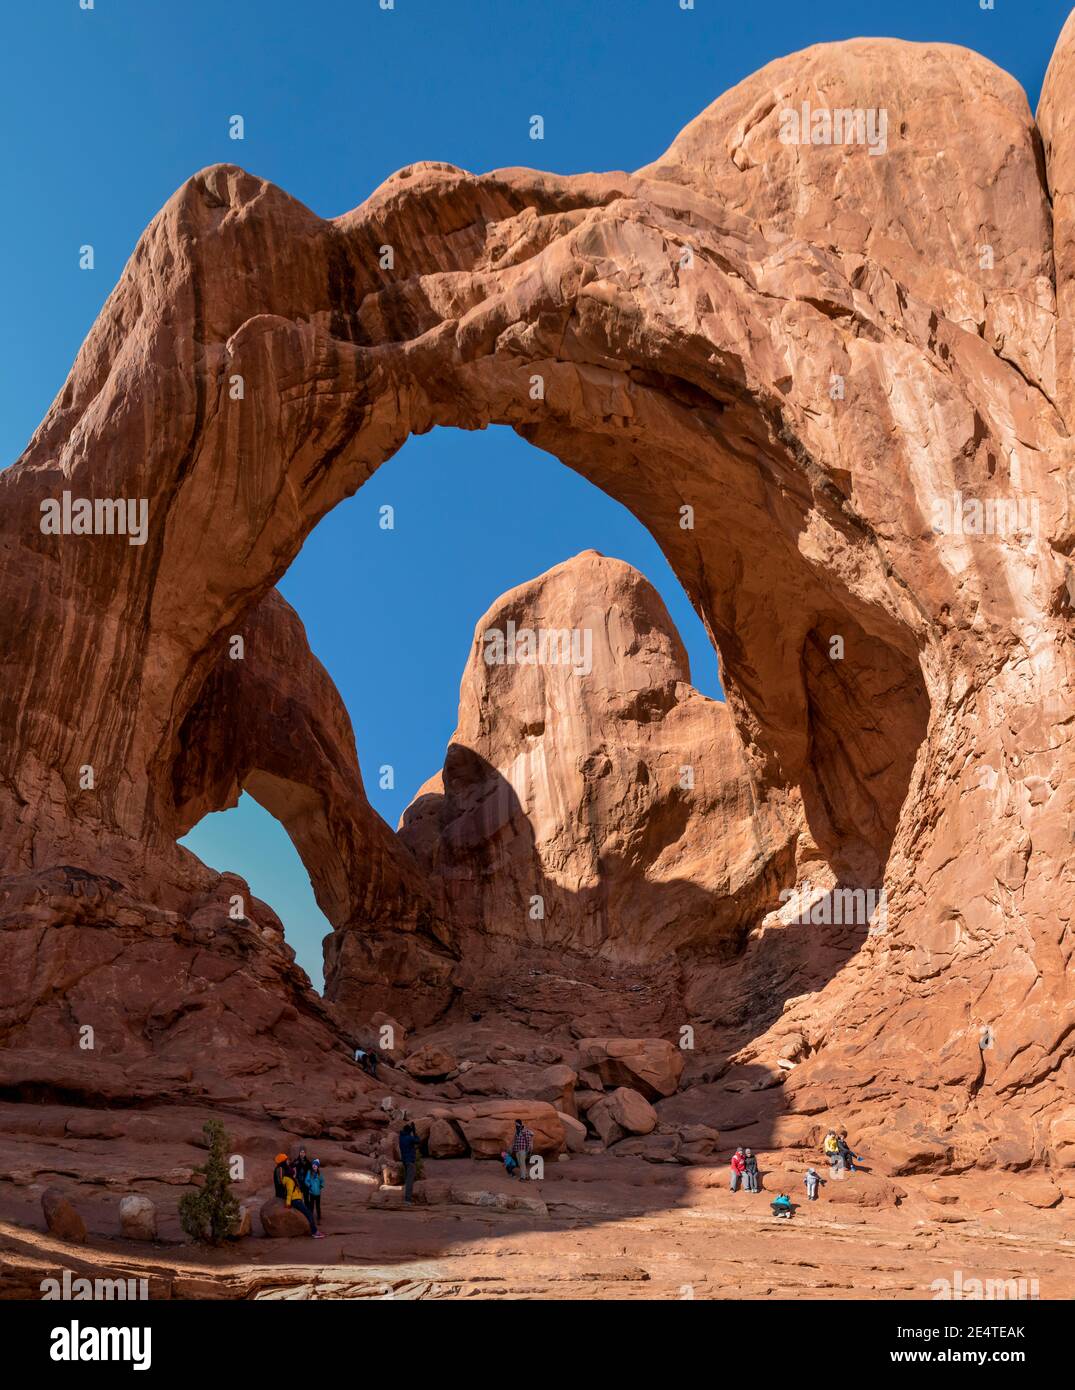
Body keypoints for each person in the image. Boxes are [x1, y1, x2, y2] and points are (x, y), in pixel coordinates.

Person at [281, 1162, 324, 1238]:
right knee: (309, 1214)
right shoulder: (290, 1181)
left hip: (297, 1199)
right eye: (294, 1170)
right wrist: (288, 1203)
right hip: (295, 1200)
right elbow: (289, 1192)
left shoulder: (290, 1179)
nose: (295, 1171)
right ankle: (314, 1232)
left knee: (308, 1213)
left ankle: (314, 1231)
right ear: (291, 1172)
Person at [399, 1122, 420, 1204]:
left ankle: (407, 1198)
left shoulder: (401, 1137)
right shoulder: (409, 1138)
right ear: (409, 1131)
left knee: (407, 1179)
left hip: (405, 1161)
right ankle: (408, 1200)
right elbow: (418, 1141)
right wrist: (414, 1132)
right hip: (410, 1161)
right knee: (409, 1181)